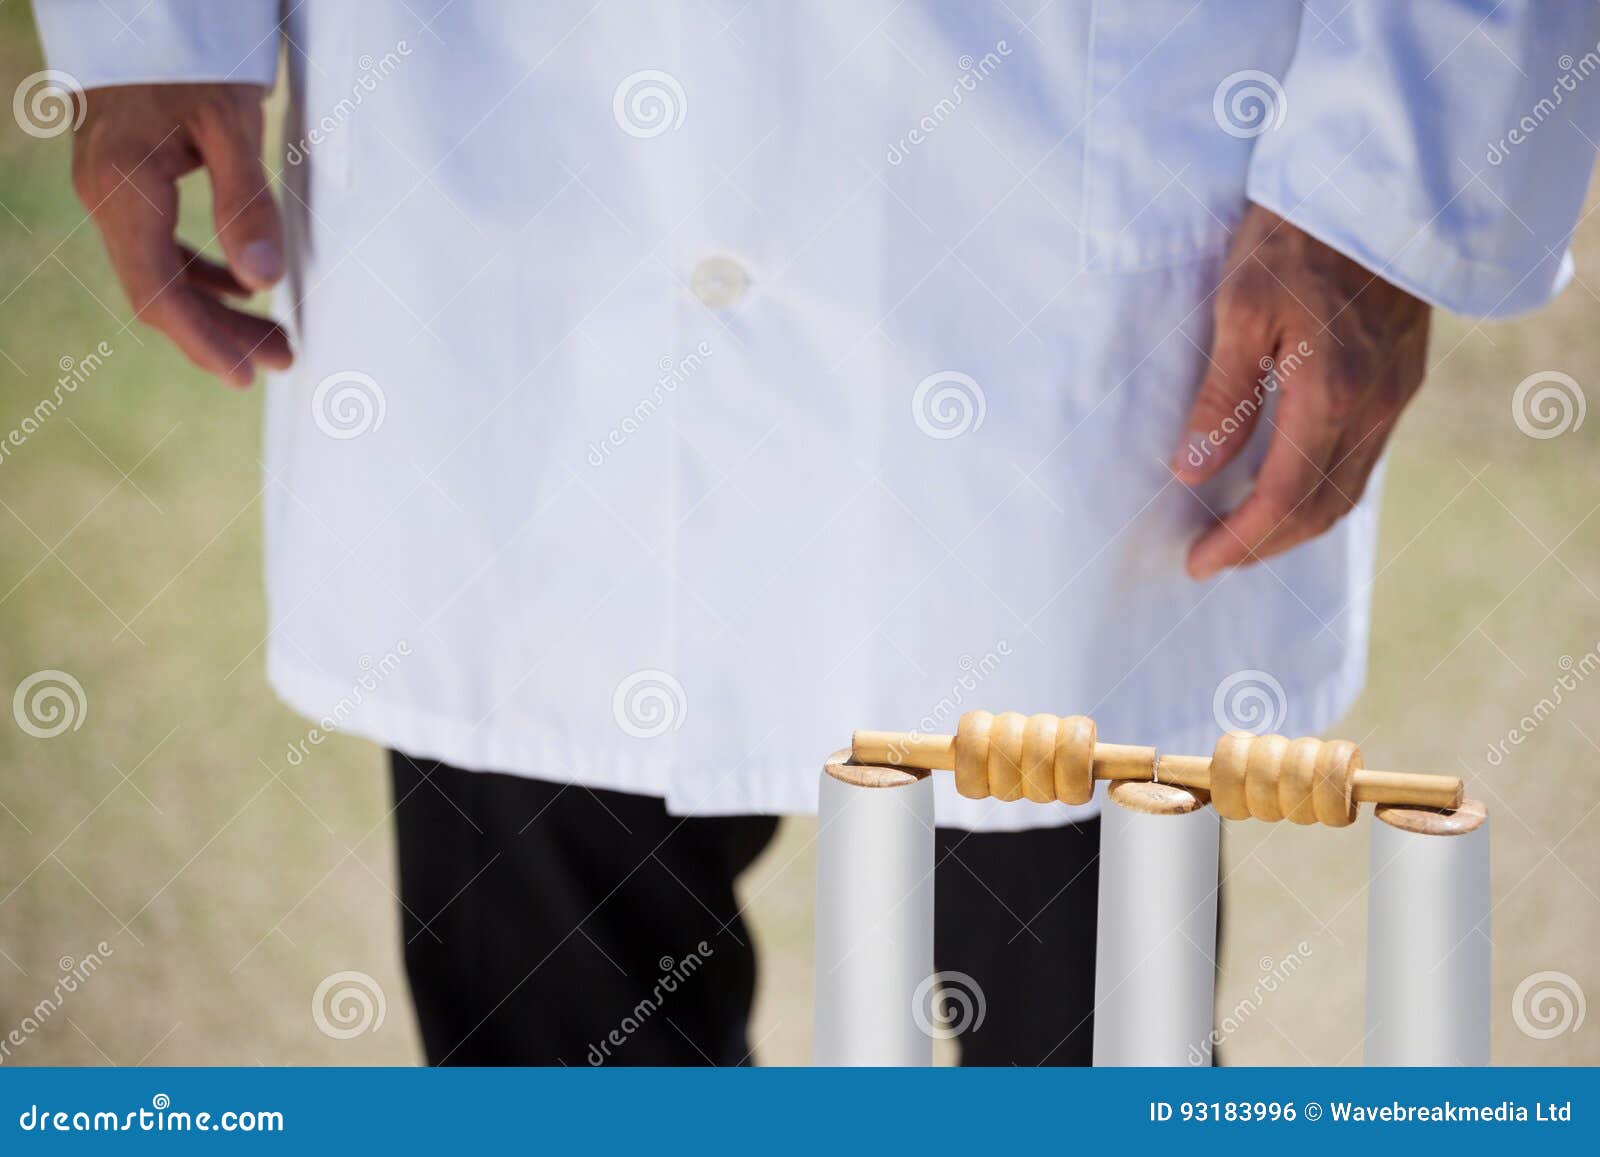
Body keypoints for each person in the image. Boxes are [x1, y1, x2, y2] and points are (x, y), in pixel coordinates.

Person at [33, 0, 1599, 1065]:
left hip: (1048, 234)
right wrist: (152, 22)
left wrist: (1396, 173)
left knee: (1086, 1066)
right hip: (512, 216)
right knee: (551, 1046)